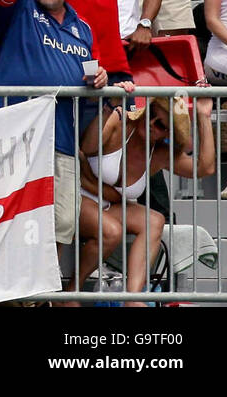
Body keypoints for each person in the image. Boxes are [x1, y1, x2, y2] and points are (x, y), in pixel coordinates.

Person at [0, 0, 107, 253]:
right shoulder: (21, 5)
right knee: (9, 226)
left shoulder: (82, 28)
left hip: (61, 140)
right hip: (13, 136)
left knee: (59, 228)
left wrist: (99, 77)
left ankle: (42, 298)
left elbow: (85, 72)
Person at [79, 94, 215, 301]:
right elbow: (85, 149)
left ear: (168, 134)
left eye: (160, 124)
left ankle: (133, 297)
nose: (151, 123)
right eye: (151, 114)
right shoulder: (120, 119)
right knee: (111, 231)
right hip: (77, 196)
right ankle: (73, 290)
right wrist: (108, 108)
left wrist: (204, 117)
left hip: (107, 205)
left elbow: (205, 168)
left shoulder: (158, 154)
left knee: (155, 220)